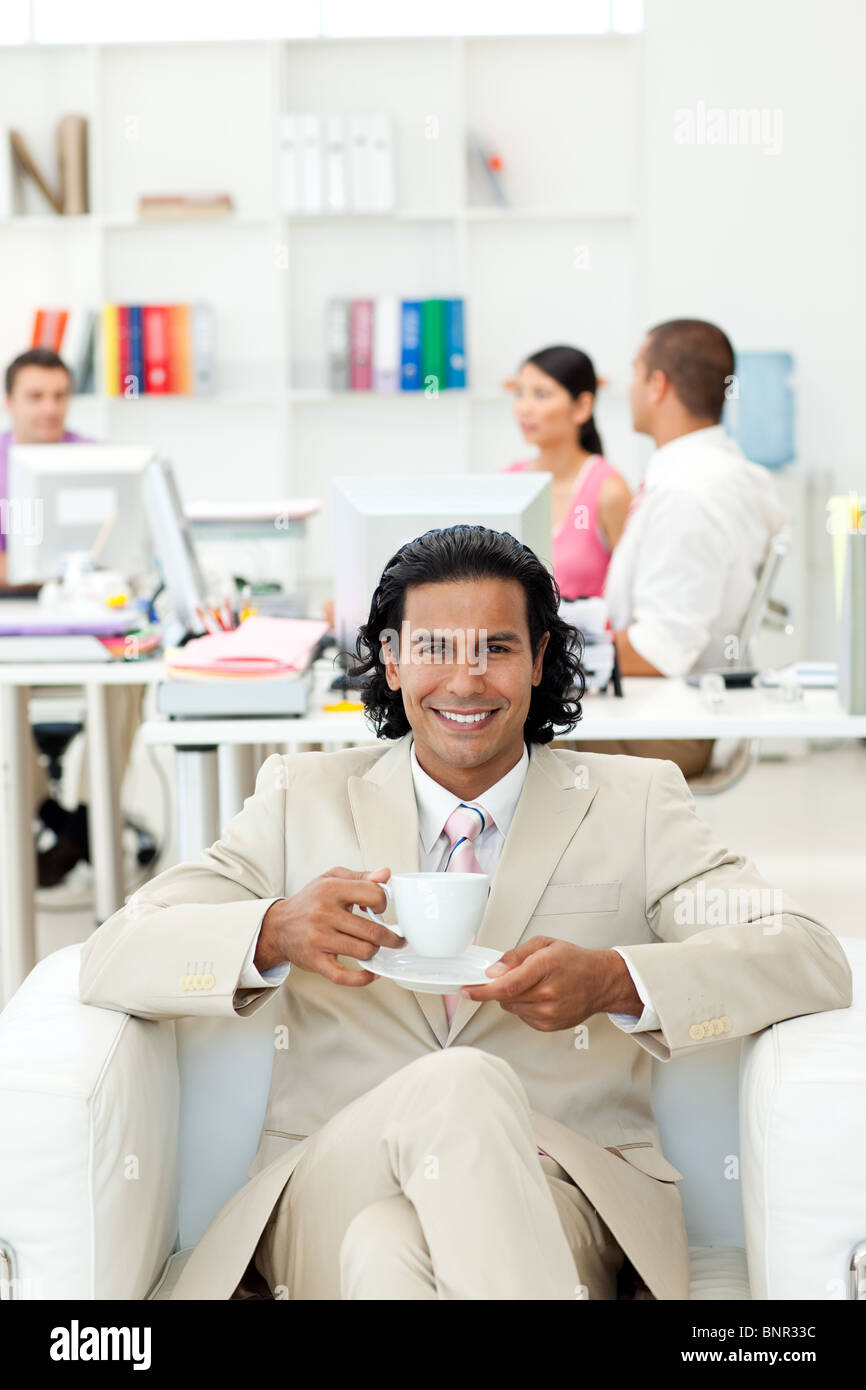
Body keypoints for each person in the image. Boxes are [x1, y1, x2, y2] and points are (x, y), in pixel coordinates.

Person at [78, 525, 851, 1302]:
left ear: (541, 658)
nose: (467, 679)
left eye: (497, 648)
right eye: (437, 648)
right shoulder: (298, 796)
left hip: (555, 1191)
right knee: (456, 1087)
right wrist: (273, 930)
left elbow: (807, 956)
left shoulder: (636, 802)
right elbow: (116, 951)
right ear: (391, 658)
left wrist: (617, 981)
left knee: (389, 1251)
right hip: (328, 1181)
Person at [580, 319, 788, 779]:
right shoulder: (719, 472)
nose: (629, 388)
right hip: (666, 709)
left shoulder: (689, 491)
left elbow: (661, 648)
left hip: (665, 725)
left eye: (635, 373)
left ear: (658, 385)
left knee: (492, 728)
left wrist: (544, 653)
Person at [1, 347, 146, 886]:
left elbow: (127, 546)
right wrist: (38, 567)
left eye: (59, 396)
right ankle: (52, 814)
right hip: (13, 628)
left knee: (127, 681)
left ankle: (86, 815)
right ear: (10, 401)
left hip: (85, 622)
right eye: (35, 397)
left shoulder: (97, 460)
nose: (49, 409)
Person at [503, 345, 631, 598]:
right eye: (519, 393)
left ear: (582, 406)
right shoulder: (506, 483)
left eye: (541, 395)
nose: (523, 408)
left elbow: (631, 592)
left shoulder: (609, 491)